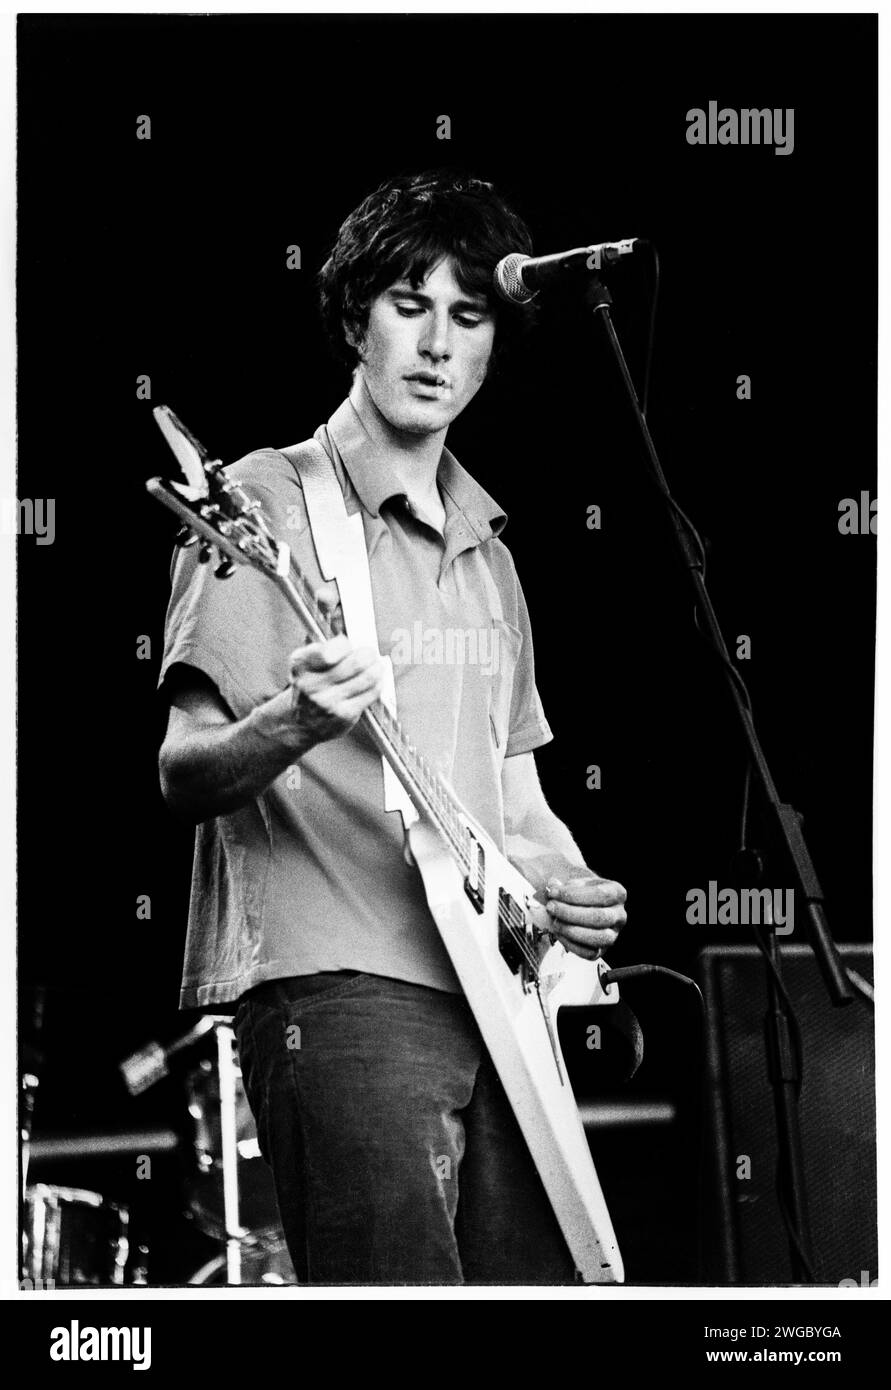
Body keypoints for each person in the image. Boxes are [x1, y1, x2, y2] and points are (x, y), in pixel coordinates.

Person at [158, 169, 628, 1285]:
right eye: (408, 306)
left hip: (502, 998)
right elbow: (183, 769)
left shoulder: (492, 553)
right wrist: (291, 720)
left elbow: (519, 807)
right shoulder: (266, 504)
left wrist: (570, 886)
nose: (436, 343)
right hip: (344, 989)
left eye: (468, 317)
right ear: (355, 318)